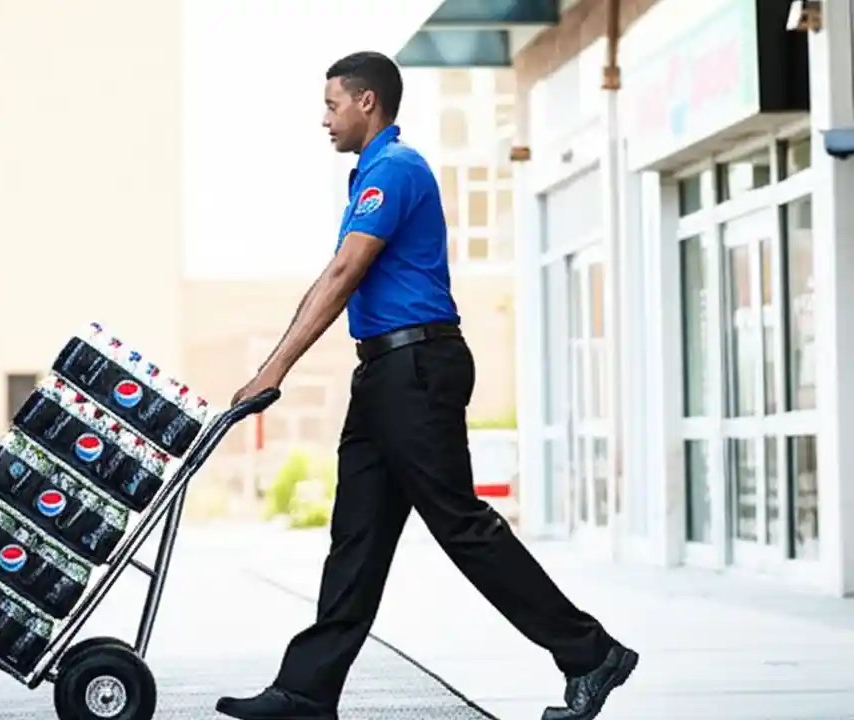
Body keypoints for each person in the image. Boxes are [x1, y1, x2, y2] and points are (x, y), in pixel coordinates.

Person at [215, 51, 638, 720]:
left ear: (367, 103)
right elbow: (340, 274)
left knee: (460, 524)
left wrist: (273, 370)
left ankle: (590, 653)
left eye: (331, 104)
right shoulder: (372, 175)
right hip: (385, 371)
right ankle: (305, 691)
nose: (323, 118)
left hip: (416, 369)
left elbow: (343, 272)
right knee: (357, 532)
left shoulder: (395, 169)